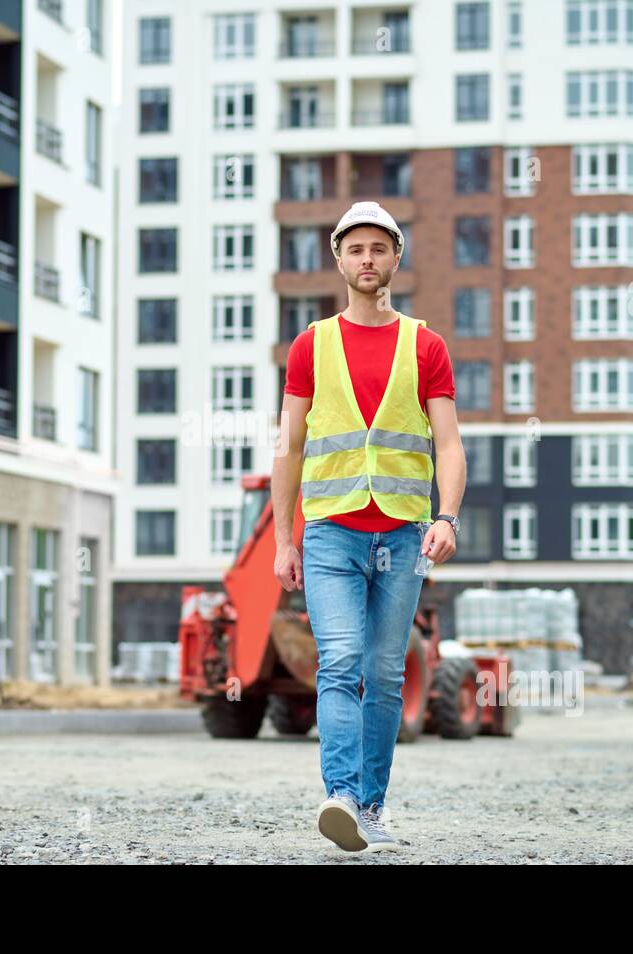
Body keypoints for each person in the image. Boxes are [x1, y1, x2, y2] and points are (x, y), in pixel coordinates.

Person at [271, 201, 467, 853]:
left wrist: (448, 516)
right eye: (355, 249)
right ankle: (341, 795)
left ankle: (371, 808)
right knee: (341, 660)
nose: (367, 260)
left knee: (385, 673)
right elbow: (289, 447)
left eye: (378, 250)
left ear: (394, 260)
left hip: (405, 537)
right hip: (330, 533)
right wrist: (281, 541)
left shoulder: (426, 345)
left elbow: (449, 444)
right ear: (338, 258)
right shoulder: (311, 345)